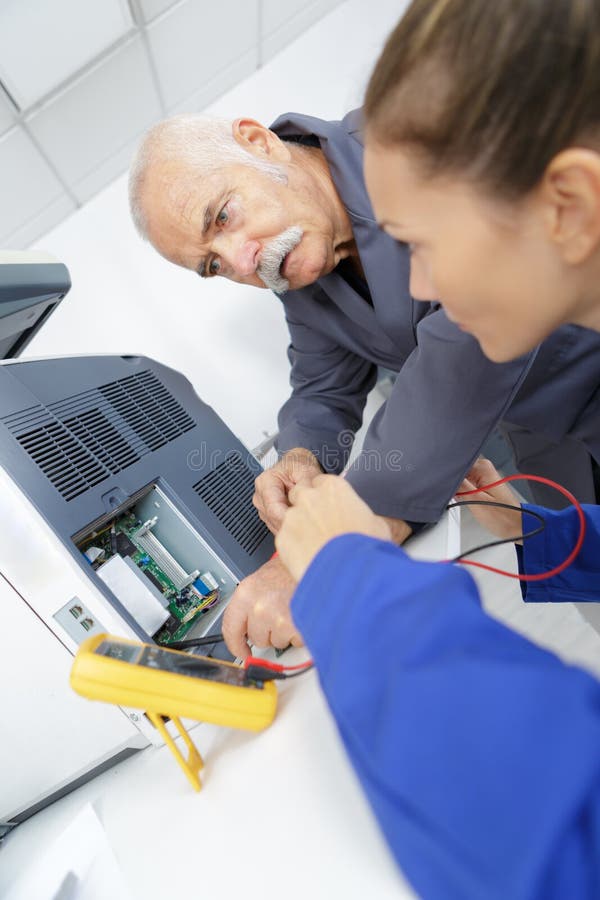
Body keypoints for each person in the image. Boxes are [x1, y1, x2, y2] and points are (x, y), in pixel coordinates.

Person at [273, 1, 600, 897]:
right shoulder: (307, 280)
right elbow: (320, 390)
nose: (418, 287)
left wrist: (345, 573)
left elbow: (555, 825)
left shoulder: (392, 154)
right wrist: (531, 539)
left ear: (569, 206)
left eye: (417, 245)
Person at [129, 108, 600, 658]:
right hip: (554, 438)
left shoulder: (421, 139)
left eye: (224, 217)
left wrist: (328, 545)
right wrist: (300, 455)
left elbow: (466, 343)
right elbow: (322, 384)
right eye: (213, 266)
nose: (242, 261)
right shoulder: (304, 269)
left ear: (258, 142)